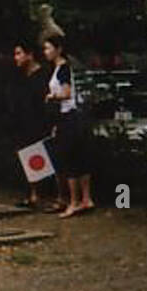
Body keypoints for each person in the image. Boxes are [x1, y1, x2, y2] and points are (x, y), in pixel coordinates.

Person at [43, 36, 94, 218]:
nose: (46, 52)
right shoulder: (60, 68)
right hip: (69, 117)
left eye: (48, 48)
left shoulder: (63, 69)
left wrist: (52, 97)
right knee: (79, 157)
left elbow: (66, 93)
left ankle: (74, 201)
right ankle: (85, 198)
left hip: (68, 117)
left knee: (69, 158)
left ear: (58, 49)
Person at [10, 40, 59, 210]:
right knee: (26, 158)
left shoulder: (44, 75)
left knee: (42, 159)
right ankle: (32, 194)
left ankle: (46, 195)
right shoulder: (20, 77)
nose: (16, 58)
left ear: (29, 54)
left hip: (40, 123)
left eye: (19, 53)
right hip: (23, 123)